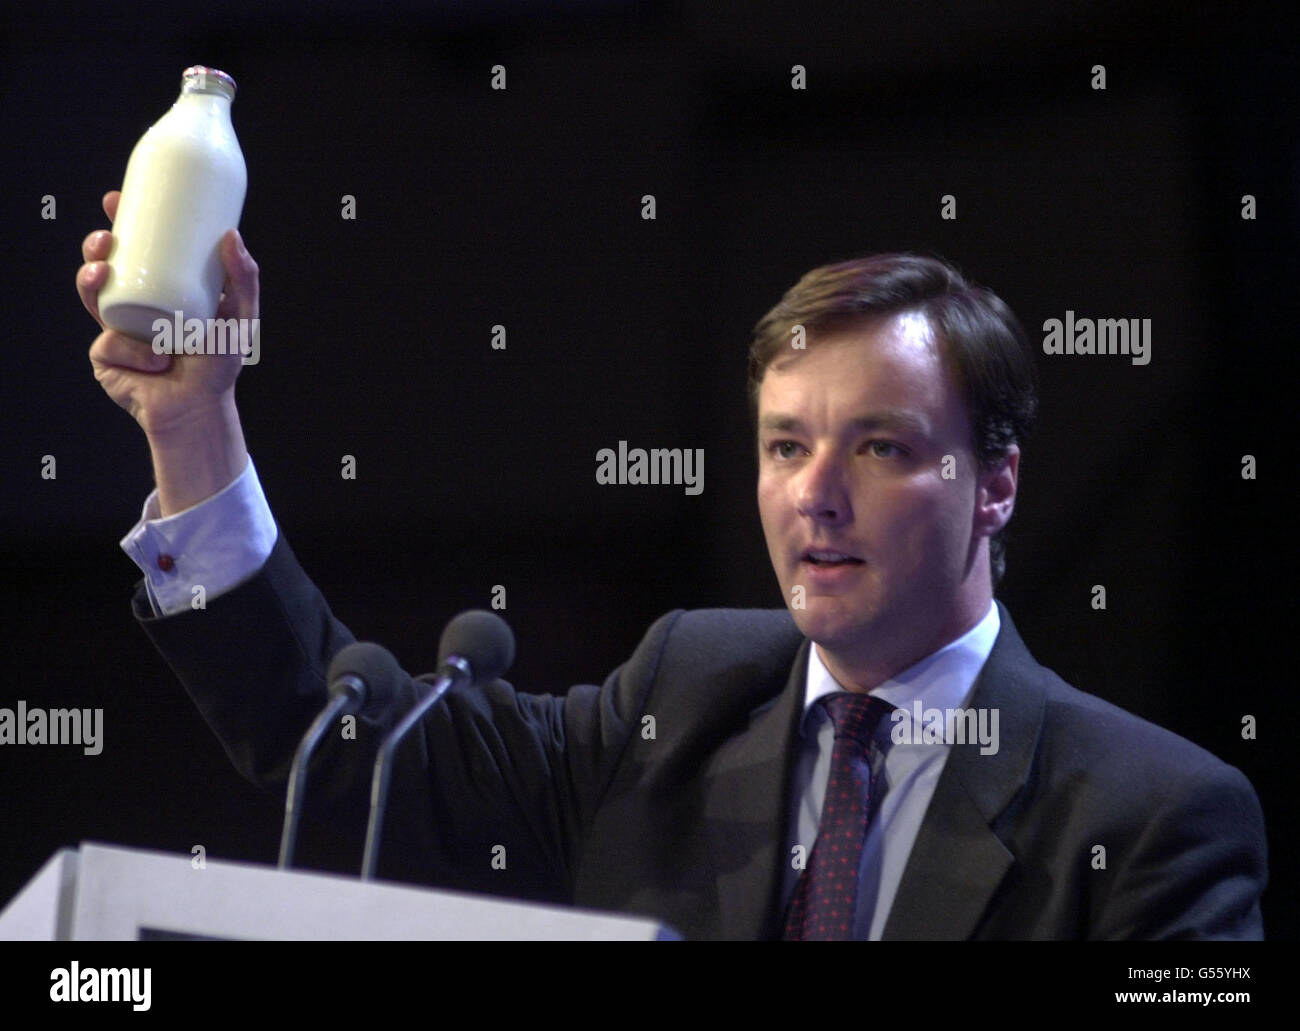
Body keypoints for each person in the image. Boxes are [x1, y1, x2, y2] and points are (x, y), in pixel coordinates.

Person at [78, 190, 1268, 939]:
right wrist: (192, 427)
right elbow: (343, 743)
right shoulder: (685, 694)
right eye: (786, 445)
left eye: (881, 447)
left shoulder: (1152, 816)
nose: (815, 491)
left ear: (994, 483)